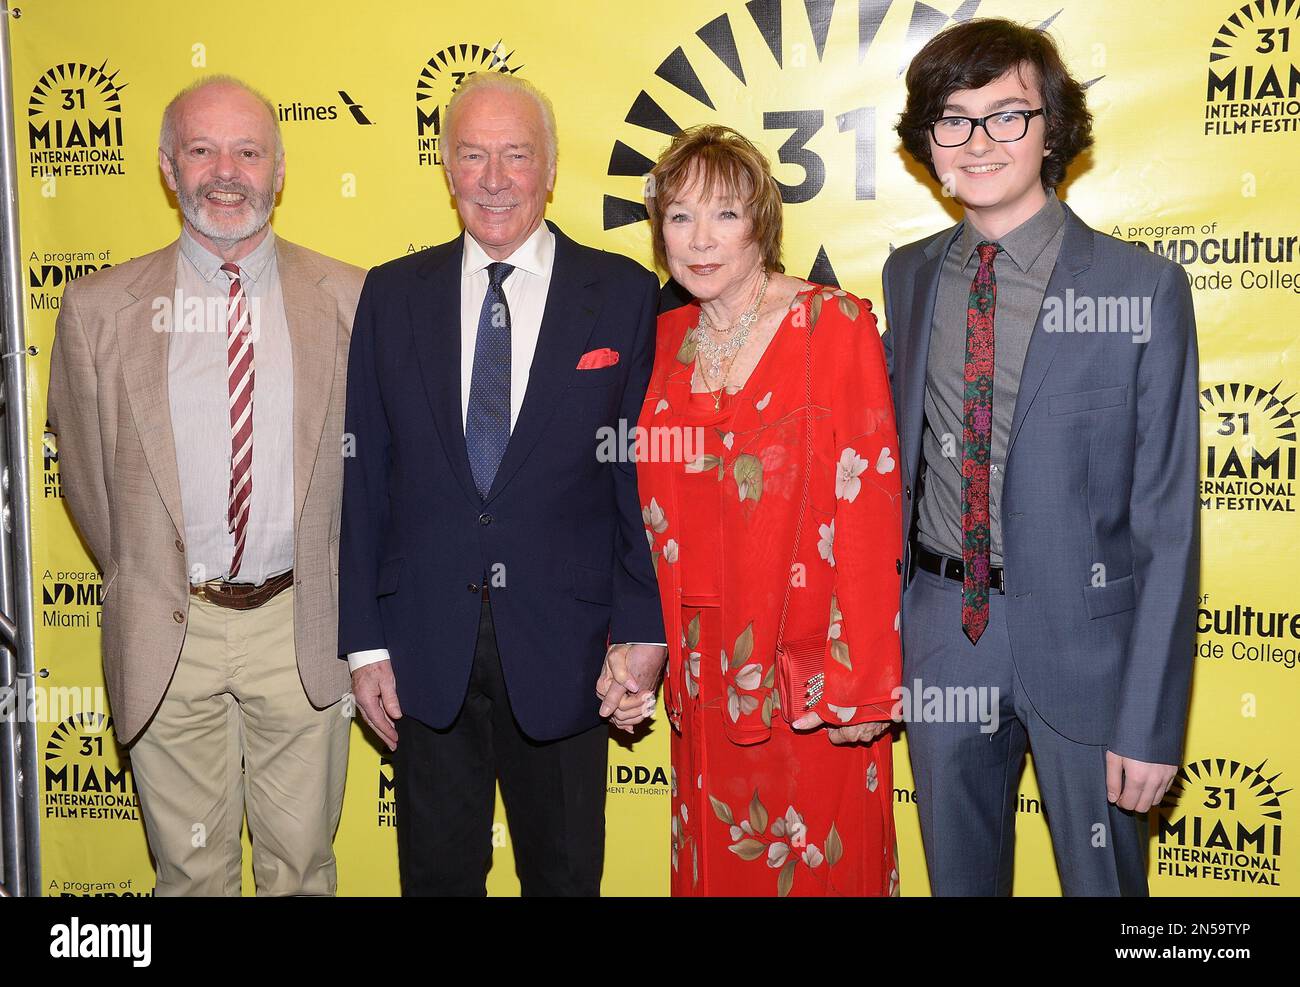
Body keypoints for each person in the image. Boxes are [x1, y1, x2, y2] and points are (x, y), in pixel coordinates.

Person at [882, 18, 1199, 896]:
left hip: (1091, 649)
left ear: (1052, 128)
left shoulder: (1141, 288)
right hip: (944, 633)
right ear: (928, 143)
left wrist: (1152, 717)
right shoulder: (907, 276)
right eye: (954, 118)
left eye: (1008, 115)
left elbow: (1169, 522)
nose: (979, 140)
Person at [338, 72, 666, 897]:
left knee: (564, 878)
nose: (494, 179)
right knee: (437, 880)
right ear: (445, 167)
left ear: (550, 168)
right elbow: (365, 474)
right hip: (424, 653)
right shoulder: (390, 294)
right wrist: (365, 643)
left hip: (571, 653)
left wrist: (642, 629)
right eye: (473, 156)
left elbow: (639, 482)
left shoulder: (625, 295)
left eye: (515, 156)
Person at [47, 76, 364, 895]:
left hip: (303, 627)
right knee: (189, 873)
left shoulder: (353, 299)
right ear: (165, 166)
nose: (227, 172)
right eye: (202, 149)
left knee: (301, 868)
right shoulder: (96, 310)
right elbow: (88, 482)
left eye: (248, 151)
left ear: (280, 169)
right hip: (168, 630)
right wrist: (151, 572)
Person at [625, 125, 902, 896]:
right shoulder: (661, 341)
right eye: (680, 217)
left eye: (724, 215)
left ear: (762, 225)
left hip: (810, 670)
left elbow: (872, 505)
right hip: (703, 674)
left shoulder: (834, 325)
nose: (700, 240)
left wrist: (863, 681)